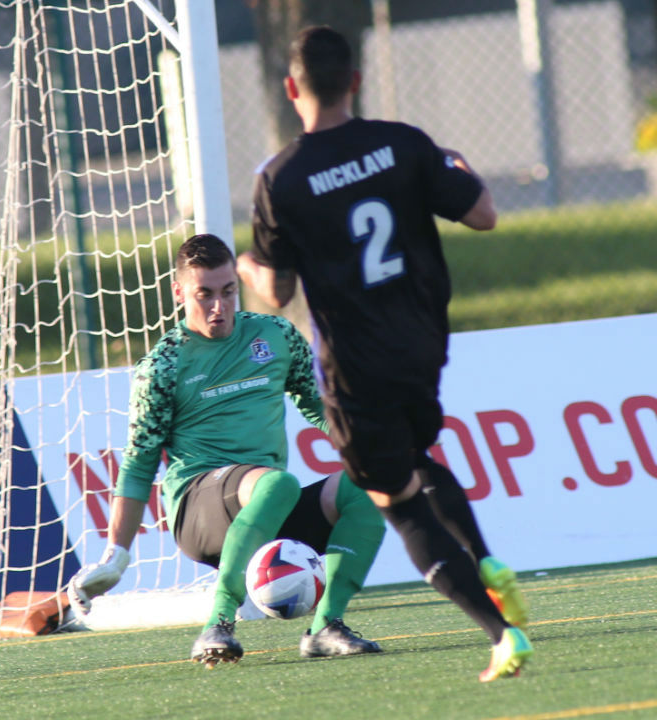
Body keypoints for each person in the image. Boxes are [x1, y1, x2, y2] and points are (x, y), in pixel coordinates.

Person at [235, 26, 532, 682]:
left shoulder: (281, 178)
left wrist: (251, 268)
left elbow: (280, 289)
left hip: (354, 367)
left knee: (396, 502)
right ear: (356, 81)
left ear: (290, 90)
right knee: (419, 460)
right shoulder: (402, 144)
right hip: (423, 346)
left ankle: (501, 635)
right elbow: (483, 214)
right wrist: (454, 165)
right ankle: (486, 558)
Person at [70, 233, 388, 667]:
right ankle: (218, 623)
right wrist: (116, 556)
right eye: (205, 294)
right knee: (277, 483)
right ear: (180, 292)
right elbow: (140, 463)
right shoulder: (163, 366)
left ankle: (325, 628)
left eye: (228, 291)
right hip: (198, 509)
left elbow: (317, 406)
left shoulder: (275, 335)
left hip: (266, 504)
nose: (218, 306)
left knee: (366, 489)